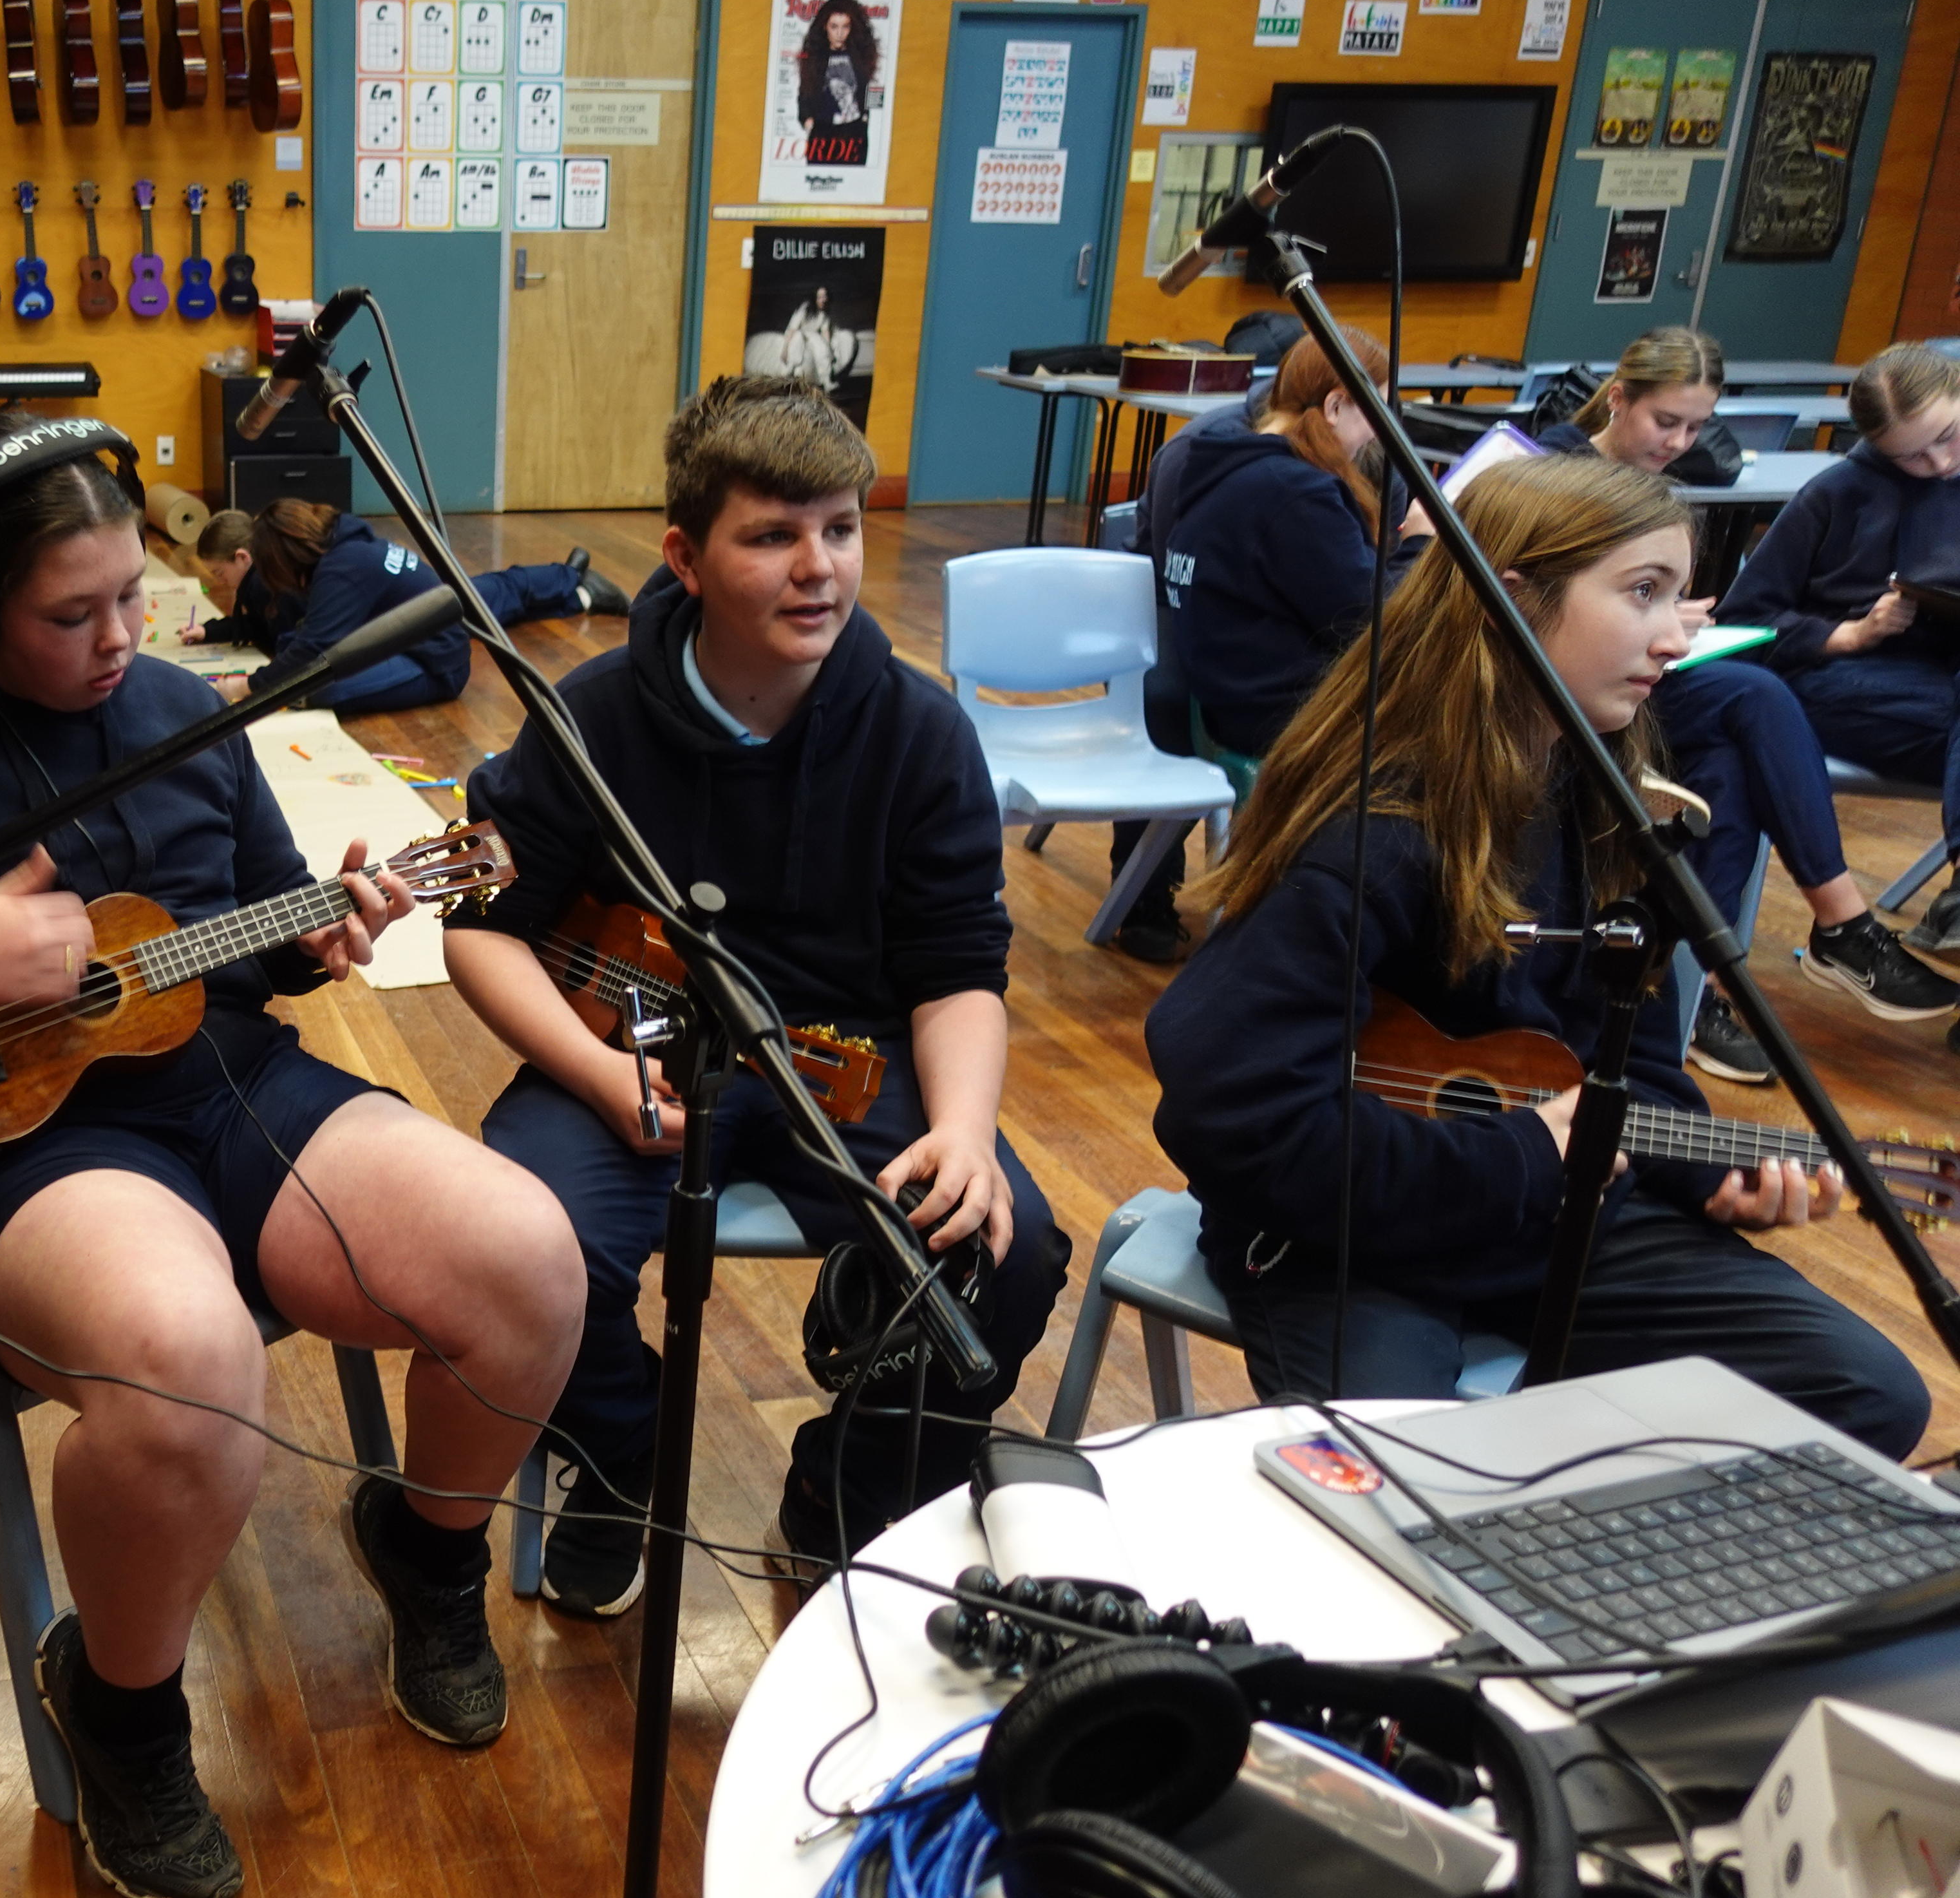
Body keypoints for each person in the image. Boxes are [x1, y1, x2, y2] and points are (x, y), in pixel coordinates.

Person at [0, 415, 583, 1898]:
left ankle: (427, 1553)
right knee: (186, 1357)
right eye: (65, 615)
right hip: (3, 1154)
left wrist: (315, 932)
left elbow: (258, 928)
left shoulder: (178, 706)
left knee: (529, 1258)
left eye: (125, 603)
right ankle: (124, 1710)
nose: (111, 644)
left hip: (221, 1091)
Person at [1145, 453, 1928, 1457]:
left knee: (1863, 1393)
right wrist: (1526, 1155)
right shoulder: (1376, 832)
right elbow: (1233, 1107)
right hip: (1349, 1238)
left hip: (1550, 1216)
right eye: (1642, 592)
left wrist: (1702, 1175)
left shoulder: (1616, 800)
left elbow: (1630, 1064)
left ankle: (1598, 1581)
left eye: (1677, 595)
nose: (1673, 630)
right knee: (1400, 1481)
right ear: (1512, 600)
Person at [446, 376, 1070, 1613]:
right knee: (516, 1248)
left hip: (859, 1060)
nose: (818, 568)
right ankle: (628, 1458)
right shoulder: (595, 718)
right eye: (773, 535)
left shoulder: (920, 732)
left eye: (839, 528)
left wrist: (961, 1130)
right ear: (684, 554)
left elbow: (959, 965)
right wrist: (593, 1075)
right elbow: (481, 931)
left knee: (1006, 1248)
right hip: (637, 1048)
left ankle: (839, 1487)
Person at [1539, 327, 1950, 1078]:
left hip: (1642, 680)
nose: (1681, 442)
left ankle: (1674, 992)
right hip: (1564, 693)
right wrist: (1658, 613)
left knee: (1726, 771)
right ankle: (1840, 925)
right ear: (1618, 398)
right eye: (1666, 422)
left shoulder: (1644, 485)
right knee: (1754, 699)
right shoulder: (1551, 470)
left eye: (1698, 427)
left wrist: (1660, 615)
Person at [1117, 325, 1412, 963]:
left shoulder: (1218, 460)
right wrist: (1418, 549)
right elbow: (1370, 618)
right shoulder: (1296, 491)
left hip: (1226, 696)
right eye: (1376, 411)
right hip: (1277, 711)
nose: (1378, 434)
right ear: (1335, 406)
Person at [1719, 341, 1960, 997]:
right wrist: (1849, 634)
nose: (1936, 463)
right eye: (1909, 455)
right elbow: (1742, 629)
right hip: (1836, 683)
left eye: (1946, 437)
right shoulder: (1835, 494)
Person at [189, 498, 628, 714]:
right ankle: (575, 589)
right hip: (423, 631)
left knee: (310, 685)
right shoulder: (340, 547)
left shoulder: (342, 570)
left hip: (437, 661)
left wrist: (245, 688)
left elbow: (313, 652)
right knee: (488, 593)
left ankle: (572, 584)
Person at [793, 0, 878, 170]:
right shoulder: (815, 58)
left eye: (845, 27)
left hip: (854, 132)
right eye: (834, 27)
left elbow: (870, 87)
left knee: (853, 187)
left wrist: (865, 118)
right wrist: (808, 122)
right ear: (825, 27)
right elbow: (805, 92)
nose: (840, 33)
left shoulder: (861, 58)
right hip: (824, 132)